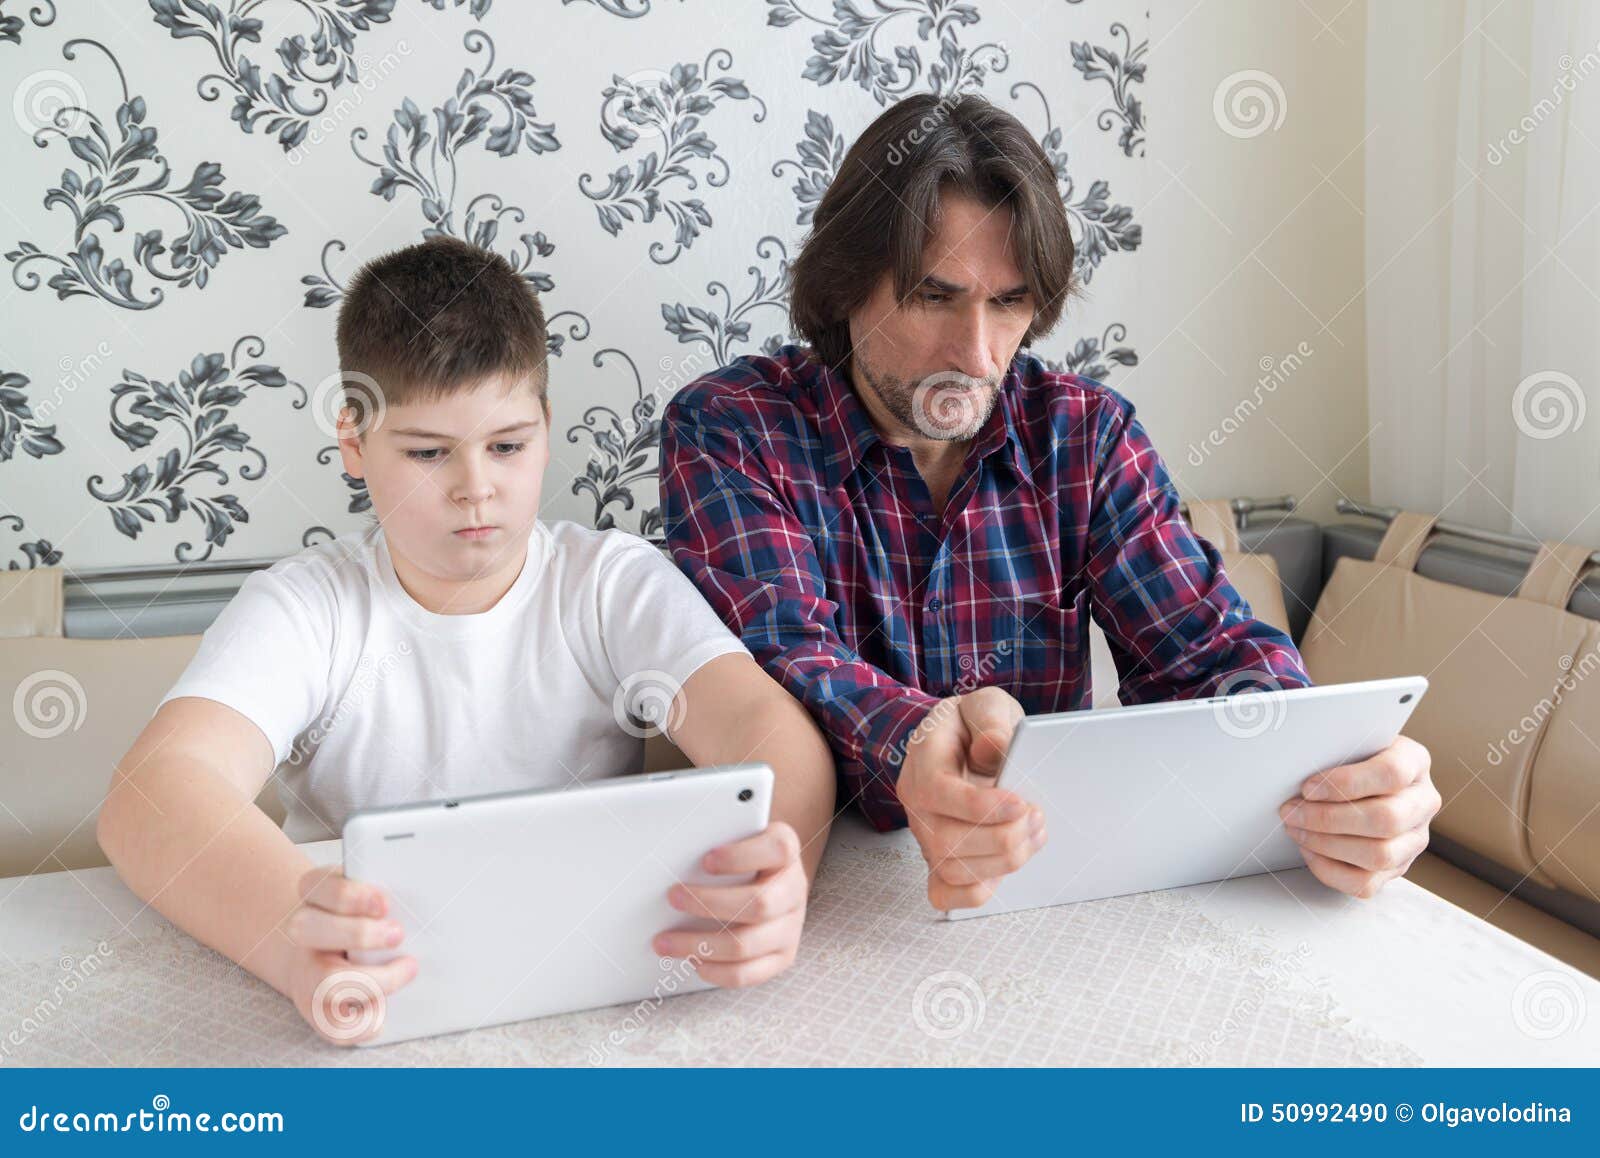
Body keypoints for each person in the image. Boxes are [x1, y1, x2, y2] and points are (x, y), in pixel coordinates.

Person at [661, 93, 1439, 913]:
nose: (976, 356)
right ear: (845, 287)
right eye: (933, 296)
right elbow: (790, 657)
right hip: (818, 890)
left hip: (1040, 885)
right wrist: (919, 738)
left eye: (1009, 302)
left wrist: (1333, 770)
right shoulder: (733, 429)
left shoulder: (1085, 436)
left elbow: (1207, 652)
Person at [97, 236, 836, 1046]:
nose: (475, 488)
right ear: (354, 443)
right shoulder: (307, 607)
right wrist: (288, 931)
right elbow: (152, 794)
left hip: (587, 1000)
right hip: (384, 999)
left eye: (507, 446)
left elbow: (766, 732)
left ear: (546, 427)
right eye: (428, 453)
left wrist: (778, 871)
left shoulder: (608, 583)